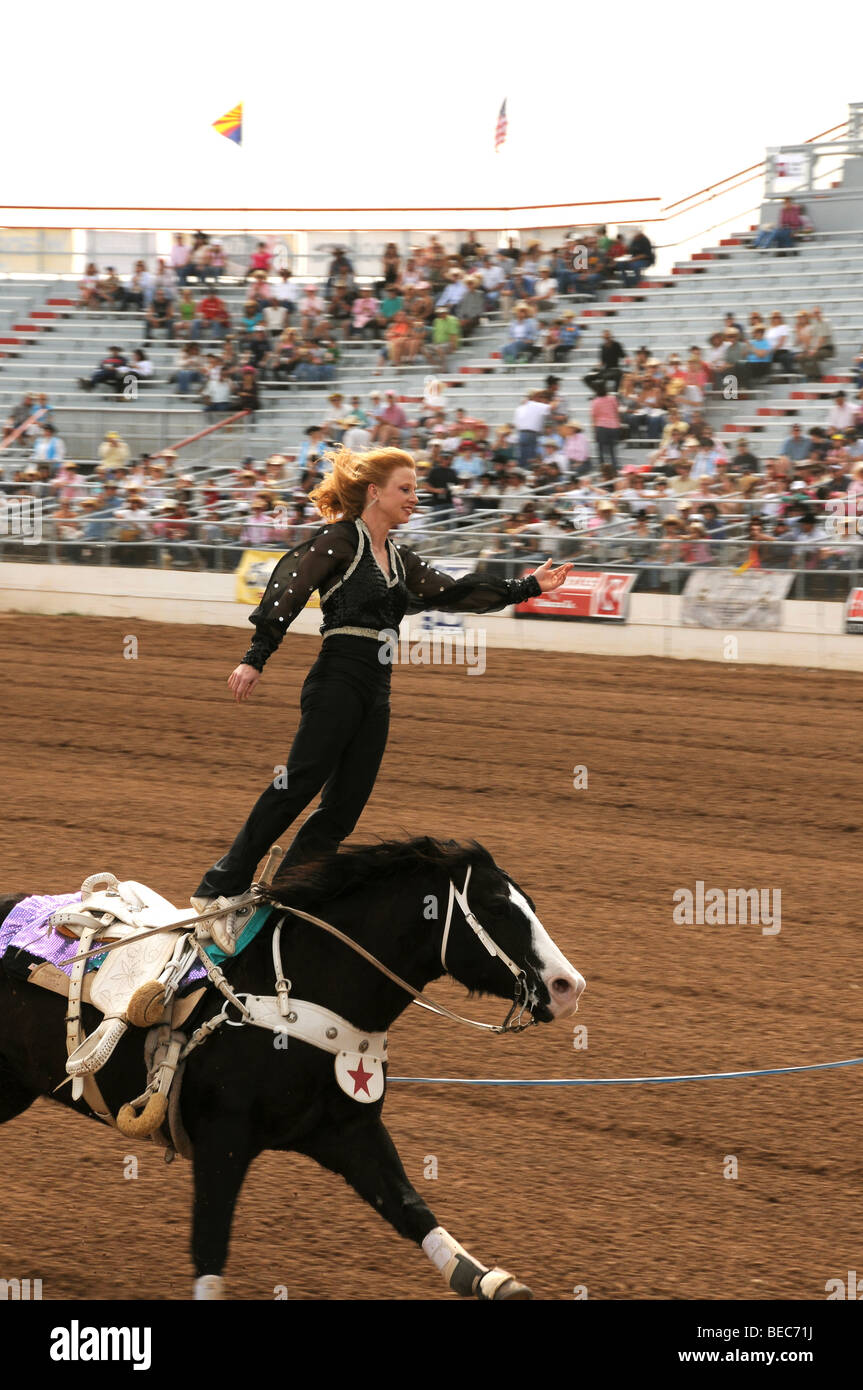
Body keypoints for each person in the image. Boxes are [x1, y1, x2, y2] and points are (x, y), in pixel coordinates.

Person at [189, 446, 571, 951]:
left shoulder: (400, 557)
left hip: (377, 687)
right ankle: (217, 888)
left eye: (415, 490)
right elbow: (288, 588)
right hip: (337, 678)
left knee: (344, 808)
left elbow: (453, 594)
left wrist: (526, 586)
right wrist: (256, 655)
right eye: (405, 489)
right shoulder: (339, 540)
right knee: (298, 784)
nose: (415, 498)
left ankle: (285, 896)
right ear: (375, 492)